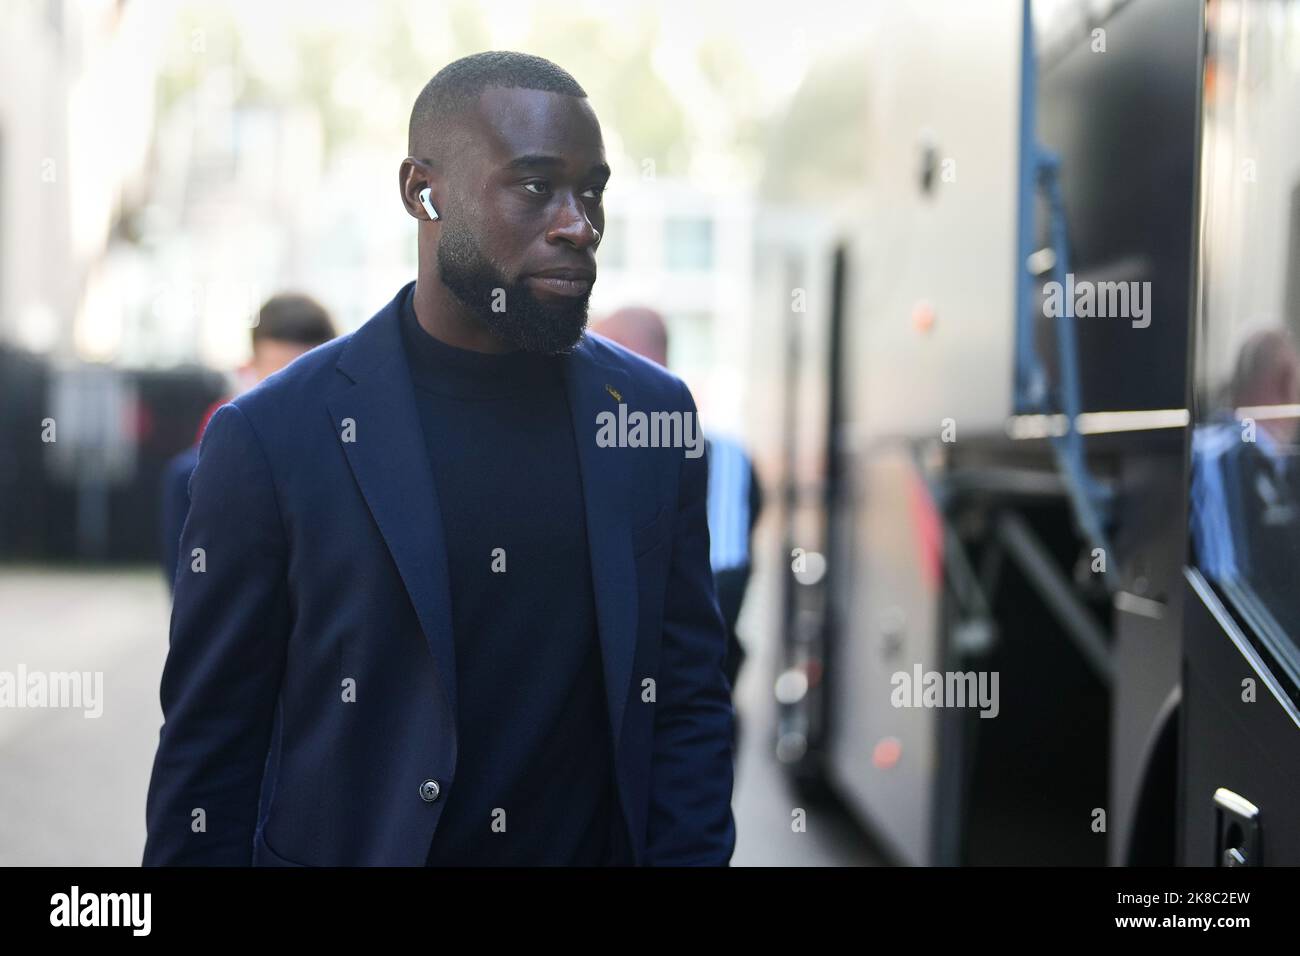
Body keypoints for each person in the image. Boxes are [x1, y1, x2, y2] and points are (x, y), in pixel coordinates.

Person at [143, 51, 736, 867]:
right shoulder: (272, 437)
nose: (579, 224)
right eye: (536, 187)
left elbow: (687, 701)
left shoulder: (650, 418)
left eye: (592, 191)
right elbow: (209, 753)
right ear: (424, 192)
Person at [593, 307, 764, 754]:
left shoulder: (718, 455)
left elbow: (724, 584)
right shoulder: (606, 444)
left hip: (676, 699)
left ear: (640, 359)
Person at [159, 293, 336, 593]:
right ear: (251, 368)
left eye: (306, 373)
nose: (293, 390)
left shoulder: (351, 458)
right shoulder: (197, 470)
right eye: (279, 373)